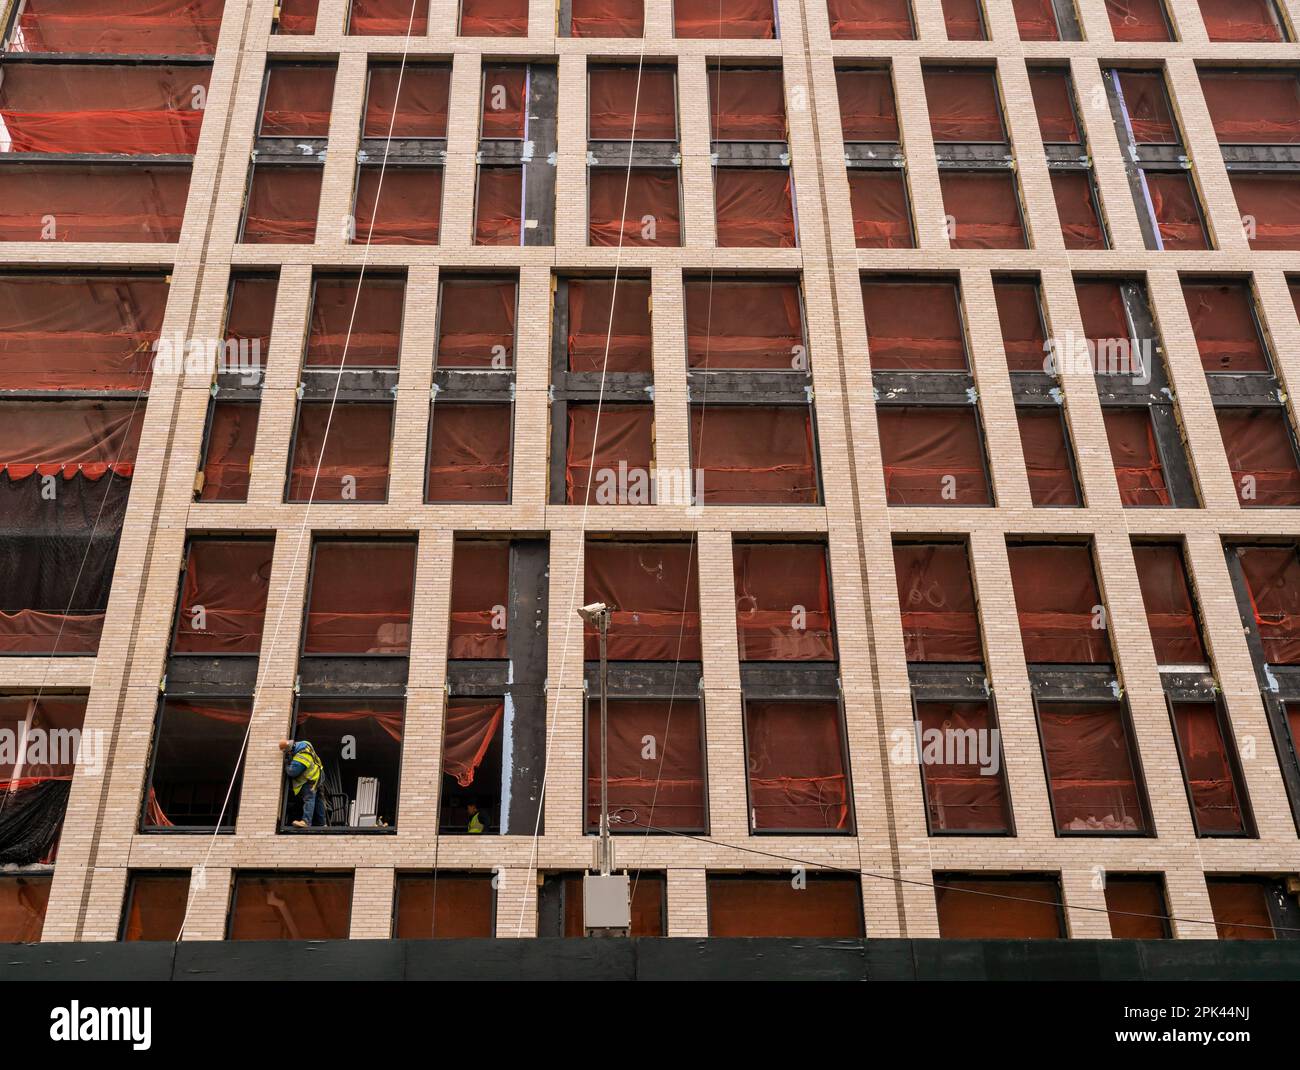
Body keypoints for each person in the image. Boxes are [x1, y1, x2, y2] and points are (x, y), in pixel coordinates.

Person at [279, 738, 325, 828]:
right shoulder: (305, 743)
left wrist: (287, 763)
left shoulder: (301, 757)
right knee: (318, 800)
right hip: (318, 775)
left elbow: (292, 772)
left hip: (310, 779)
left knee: (309, 799)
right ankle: (322, 823)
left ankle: (306, 822)